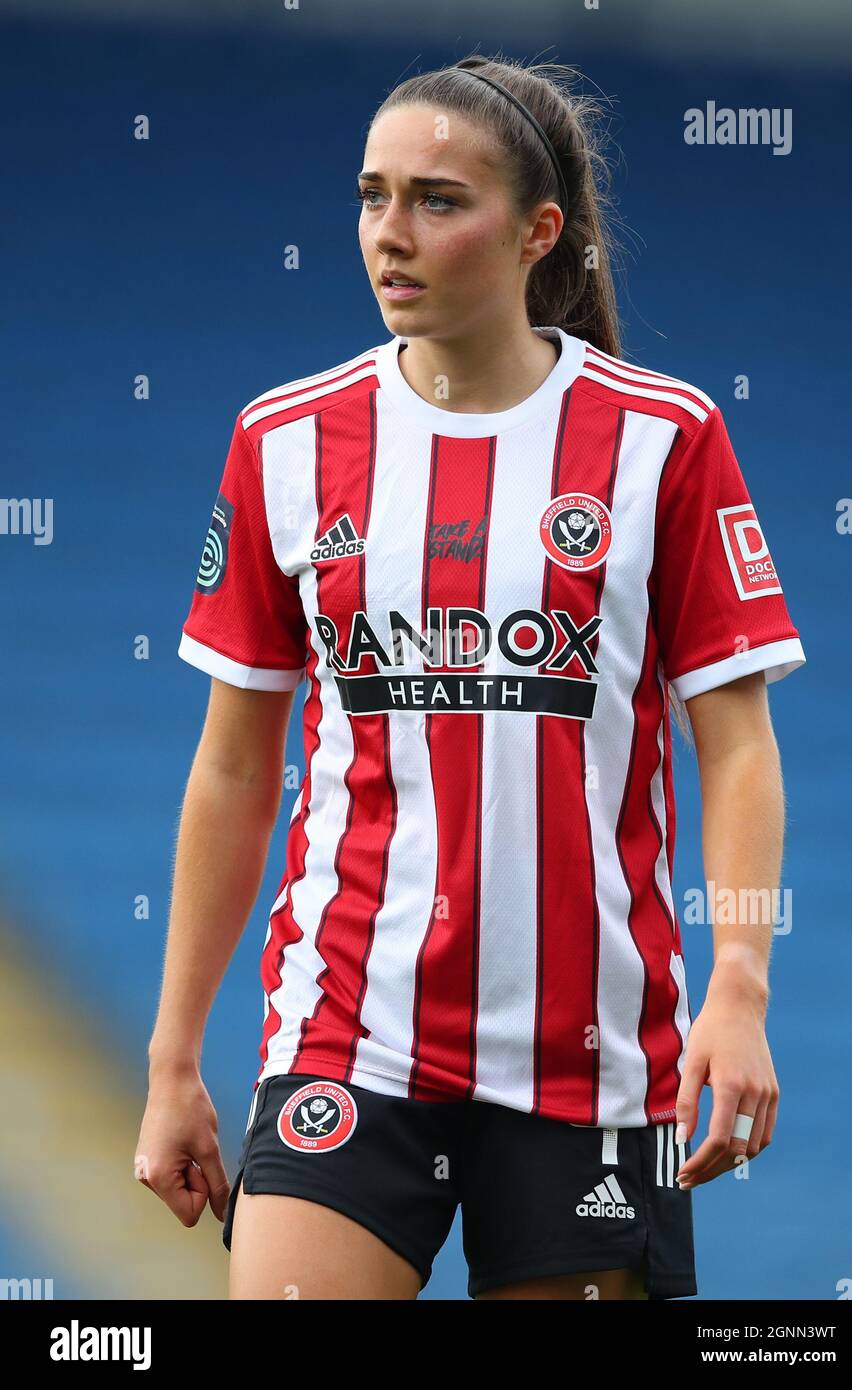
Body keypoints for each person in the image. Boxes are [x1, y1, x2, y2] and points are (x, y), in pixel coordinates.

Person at [135, 52, 805, 1301]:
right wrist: (176, 1056)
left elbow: (739, 747)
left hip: (593, 1067)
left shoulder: (664, 440)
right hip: (348, 1042)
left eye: (438, 200)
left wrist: (741, 987)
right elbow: (234, 765)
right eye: (371, 195)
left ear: (537, 232)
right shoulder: (283, 442)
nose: (390, 235)